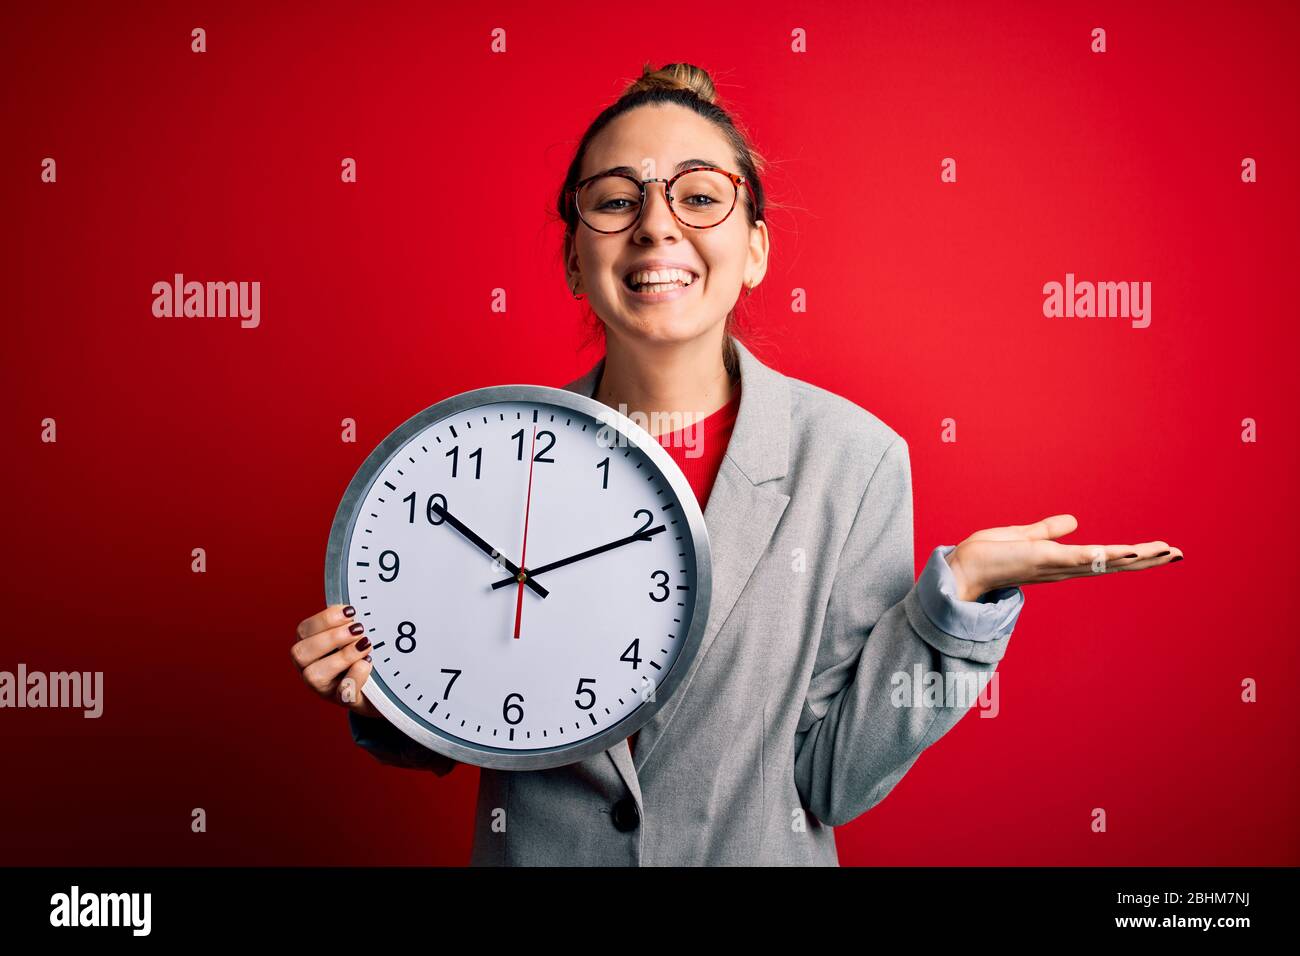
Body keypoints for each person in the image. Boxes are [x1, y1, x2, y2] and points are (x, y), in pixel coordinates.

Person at [291, 62, 1182, 865]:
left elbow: (833, 777)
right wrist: (383, 701)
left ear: (755, 247)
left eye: (700, 197)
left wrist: (959, 603)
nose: (655, 227)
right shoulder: (484, 464)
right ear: (574, 258)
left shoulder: (855, 462)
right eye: (614, 200)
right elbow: (479, 713)